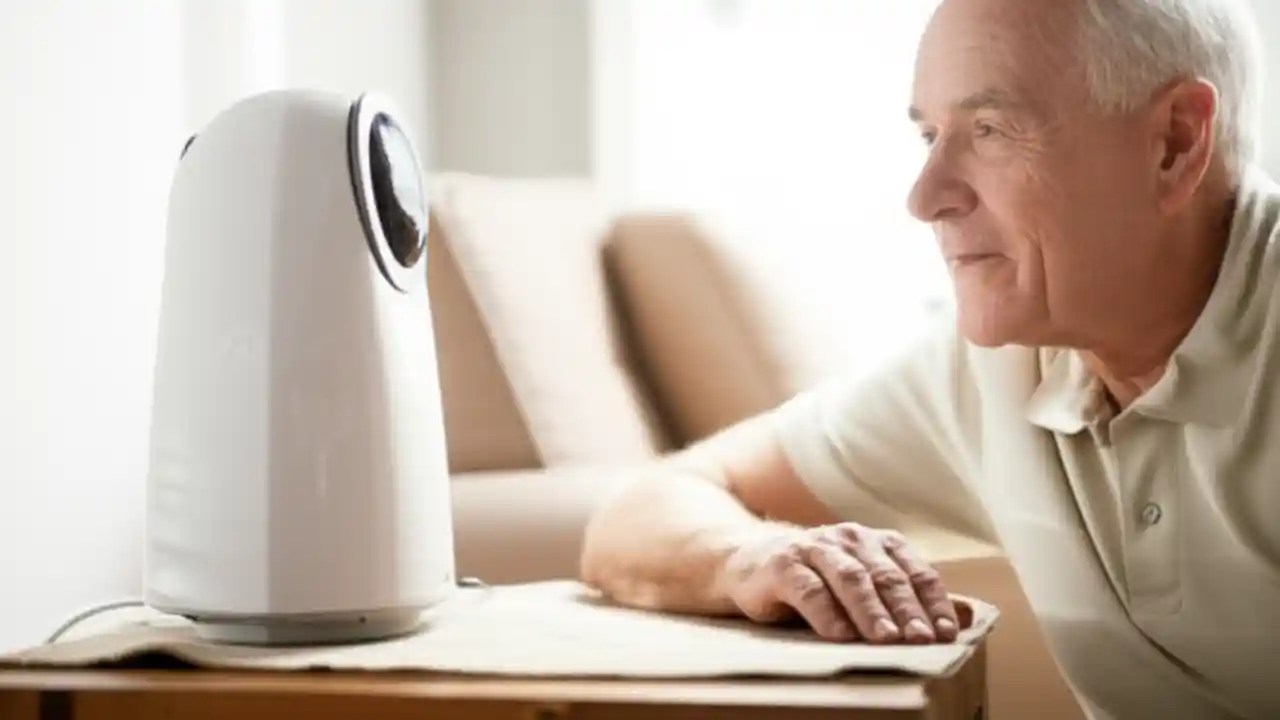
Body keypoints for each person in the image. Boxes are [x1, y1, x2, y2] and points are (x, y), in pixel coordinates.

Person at [579, 0, 1280, 717]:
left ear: (1175, 142)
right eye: (929, 135)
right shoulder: (1000, 365)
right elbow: (646, 509)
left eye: (990, 130)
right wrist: (752, 558)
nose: (925, 198)